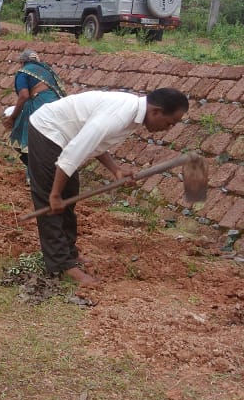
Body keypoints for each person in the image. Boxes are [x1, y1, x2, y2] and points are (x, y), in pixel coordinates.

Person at [27, 88, 189, 285]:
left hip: (66, 135)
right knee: (51, 203)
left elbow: (96, 144)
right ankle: (61, 266)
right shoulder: (119, 115)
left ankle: (69, 253)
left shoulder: (132, 115)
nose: (168, 128)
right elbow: (73, 154)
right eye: (169, 122)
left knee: (69, 194)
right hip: (48, 129)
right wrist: (53, 194)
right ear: (156, 111)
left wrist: (116, 170)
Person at [3, 49, 66, 182]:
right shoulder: (47, 71)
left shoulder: (23, 72)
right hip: (58, 108)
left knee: (29, 139)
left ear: (22, 62)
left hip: (39, 107)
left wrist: (13, 117)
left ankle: (34, 178)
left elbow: (24, 95)